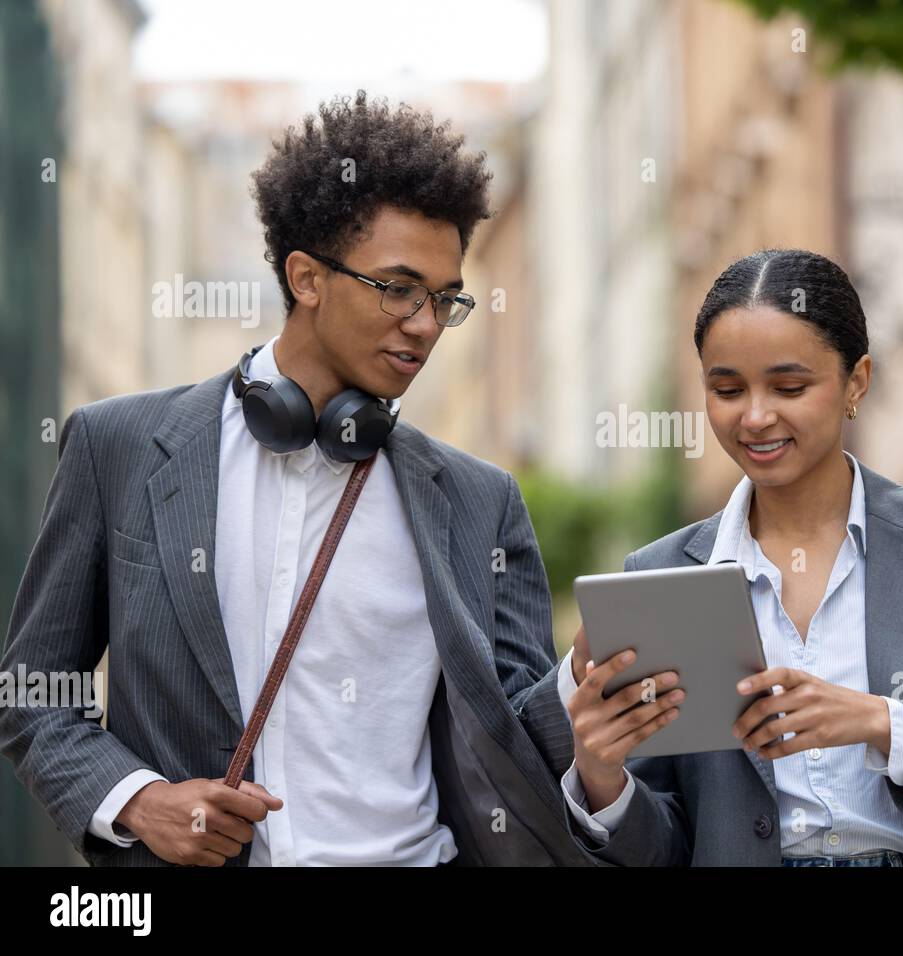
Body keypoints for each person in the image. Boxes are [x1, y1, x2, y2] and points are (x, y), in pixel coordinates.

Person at [0, 91, 585, 867]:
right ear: (306, 278)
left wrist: (589, 691)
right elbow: (34, 696)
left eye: (447, 299)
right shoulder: (121, 448)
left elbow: (514, 741)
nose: (425, 323)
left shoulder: (481, 502)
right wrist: (139, 801)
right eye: (399, 288)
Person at [556, 248, 903, 866]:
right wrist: (602, 777)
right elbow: (669, 847)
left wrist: (881, 723)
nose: (756, 417)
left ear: (856, 382)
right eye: (727, 389)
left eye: (789, 386)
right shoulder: (660, 577)